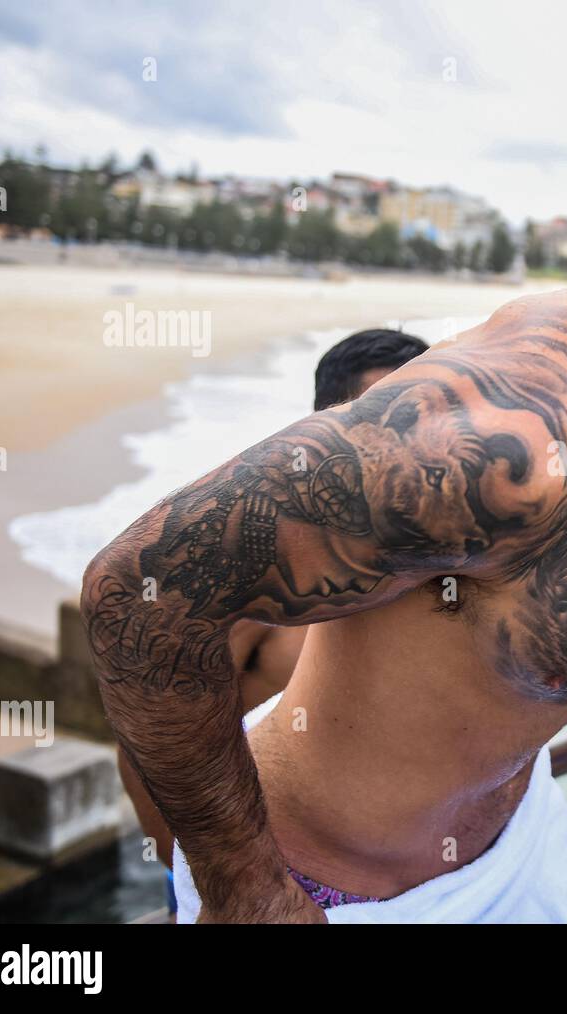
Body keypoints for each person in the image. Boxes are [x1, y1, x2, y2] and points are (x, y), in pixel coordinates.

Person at [81, 38, 567, 924]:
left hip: (518, 830)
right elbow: (136, 592)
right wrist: (243, 887)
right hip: (342, 891)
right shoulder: (505, 435)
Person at [113, 327, 431, 911]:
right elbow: (147, 737)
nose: (408, 447)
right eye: (386, 423)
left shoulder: (438, 559)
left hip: (409, 884)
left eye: (422, 422)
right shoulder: (261, 572)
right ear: (327, 429)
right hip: (271, 890)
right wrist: (209, 881)